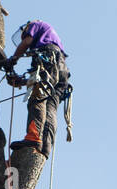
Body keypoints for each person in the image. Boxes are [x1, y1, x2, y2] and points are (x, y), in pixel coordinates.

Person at [5, 20, 71, 158]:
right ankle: (45, 147)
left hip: (49, 59)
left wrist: (13, 60)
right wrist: (21, 81)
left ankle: (33, 138)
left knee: (37, 98)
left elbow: (27, 41)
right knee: (50, 106)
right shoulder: (51, 40)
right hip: (62, 70)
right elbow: (44, 79)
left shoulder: (35, 24)